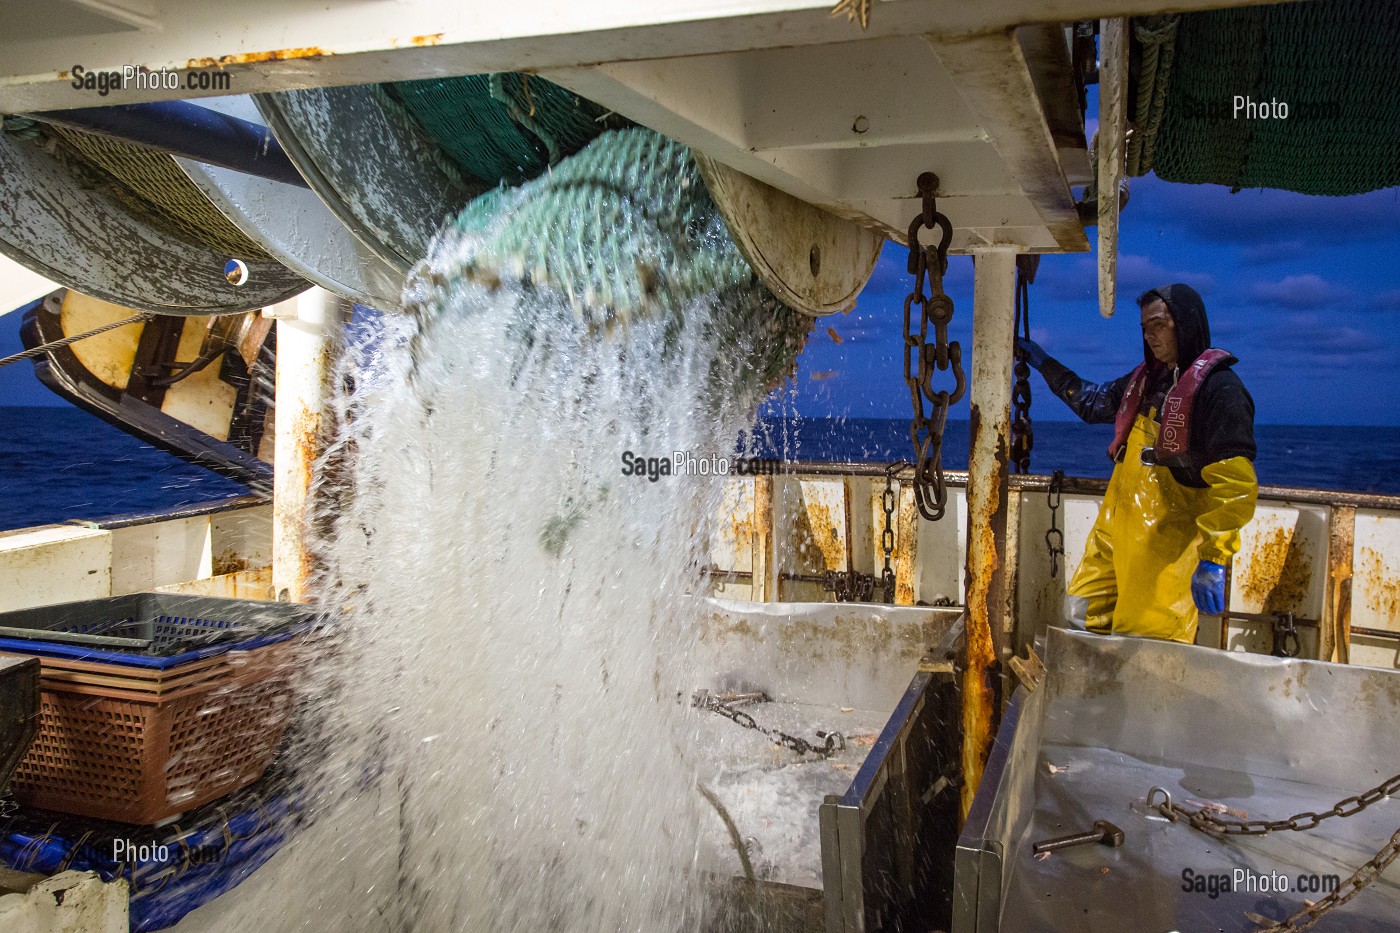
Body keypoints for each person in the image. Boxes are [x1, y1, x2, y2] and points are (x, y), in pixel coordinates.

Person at [1017, 283, 1258, 644]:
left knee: (1148, 647)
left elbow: (1236, 485)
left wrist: (1213, 557)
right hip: (1114, 533)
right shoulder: (1144, 381)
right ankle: (1089, 700)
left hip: (1164, 547)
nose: (1150, 335)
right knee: (1081, 618)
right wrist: (1042, 362)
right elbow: (1091, 402)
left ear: (1185, 322)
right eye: (1145, 327)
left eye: (1159, 325)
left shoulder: (1220, 390)